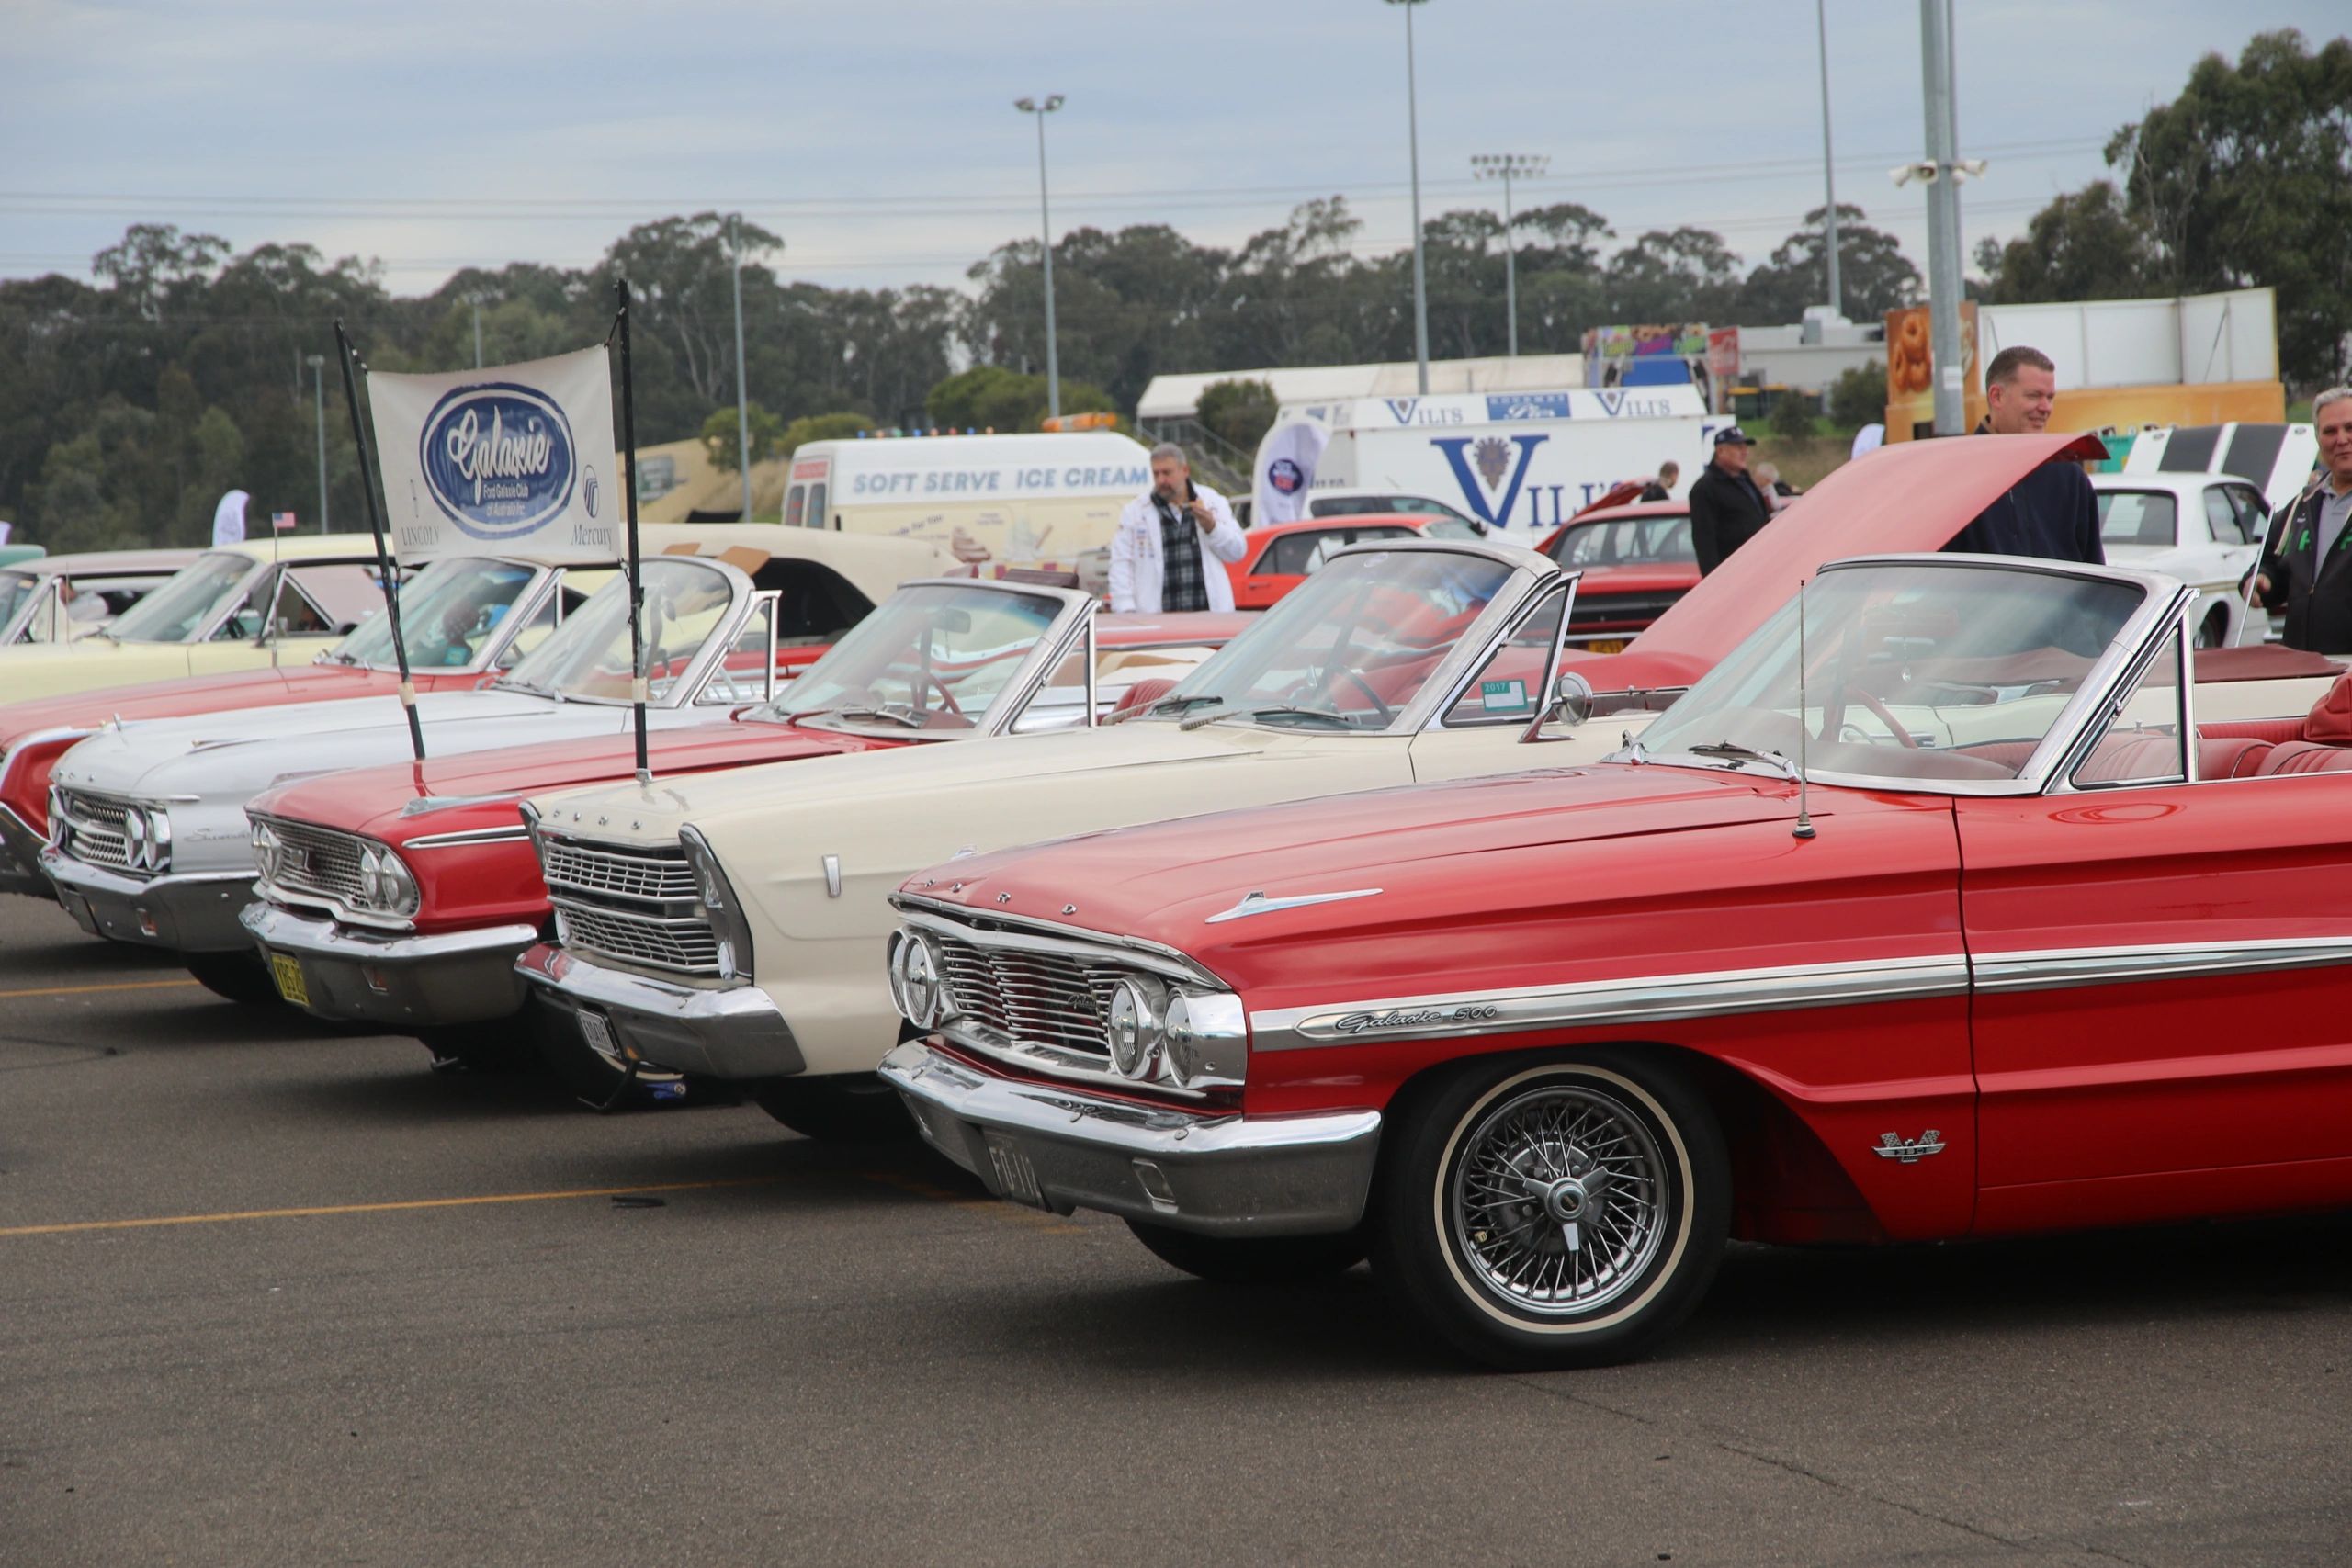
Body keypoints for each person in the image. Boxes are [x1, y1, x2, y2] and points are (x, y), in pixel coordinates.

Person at [1945, 345, 2103, 564]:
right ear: (1996, 396)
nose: (2045, 407)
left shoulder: (2069, 477)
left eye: (2050, 397)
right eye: (2034, 396)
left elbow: (2094, 570)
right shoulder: (1955, 475)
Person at [2252, 386, 2352, 653]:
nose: (2342, 438)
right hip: (2304, 670)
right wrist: (2262, 581)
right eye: (2330, 431)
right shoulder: (2301, 506)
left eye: (2350, 427)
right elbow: (2271, 565)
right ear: (2318, 439)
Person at [1110, 444, 1246, 613]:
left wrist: (1212, 527)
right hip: (1159, 620)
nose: (1161, 480)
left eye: (1167, 473)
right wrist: (1126, 609)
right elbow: (1121, 564)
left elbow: (1238, 552)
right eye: (1156, 474)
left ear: (1185, 471)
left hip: (1209, 616)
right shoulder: (1135, 511)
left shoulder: (1212, 502)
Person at [1687, 427, 1772, 575]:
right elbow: (1705, 540)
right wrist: (1713, 581)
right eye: (1739, 447)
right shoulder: (1705, 488)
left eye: (1745, 447)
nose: (1745, 452)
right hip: (1732, 574)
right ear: (1720, 451)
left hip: (1759, 567)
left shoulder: (1744, 480)